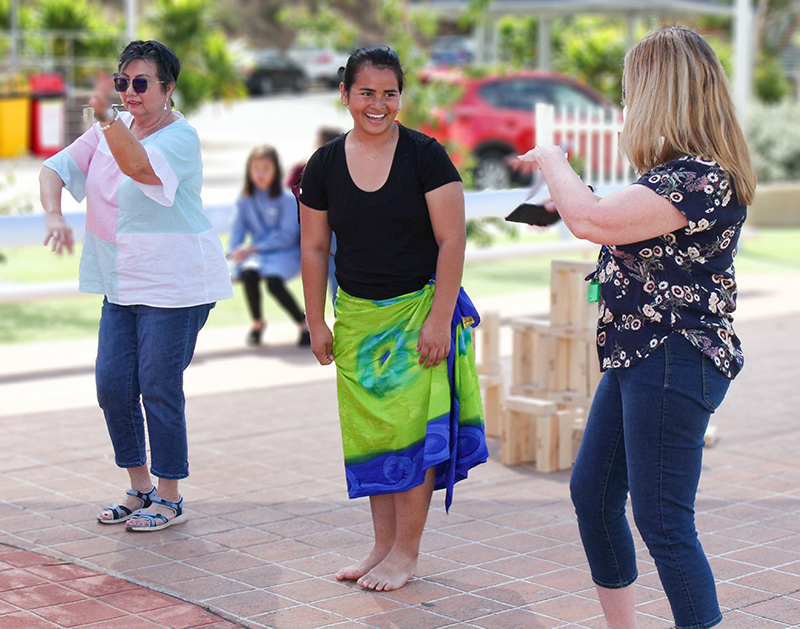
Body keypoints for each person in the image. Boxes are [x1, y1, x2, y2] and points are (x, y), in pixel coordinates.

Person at [518, 28, 756, 629]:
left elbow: (594, 221)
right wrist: (575, 200)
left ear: (660, 93)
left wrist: (552, 160)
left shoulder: (702, 177)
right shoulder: (677, 178)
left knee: (664, 522)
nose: (625, 106)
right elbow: (613, 220)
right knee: (594, 497)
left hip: (673, 357)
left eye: (631, 91)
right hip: (639, 357)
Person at [299, 45, 488, 592]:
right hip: (356, 321)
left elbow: (453, 239)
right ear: (345, 94)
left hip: (419, 316)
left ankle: (407, 551)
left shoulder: (427, 156)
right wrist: (317, 321)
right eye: (367, 93)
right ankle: (382, 547)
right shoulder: (324, 165)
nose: (378, 104)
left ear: (400, 97)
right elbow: (314, 248)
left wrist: (439, 318)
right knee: (373, 438)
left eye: (389, 94)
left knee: (414, 438)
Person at [40, 40, 233, 531]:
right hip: (120, 283)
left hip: (177, 286)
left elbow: (138, 168)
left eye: (141, 82)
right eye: (122, 82)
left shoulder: (179, 137)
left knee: (157, 386)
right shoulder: (114, 127)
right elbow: (55, 169)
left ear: (168, 88)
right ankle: (140, 487)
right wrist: (54, 214)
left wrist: (105, 120)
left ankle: (169, 495)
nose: (129, 92)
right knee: (112, 386)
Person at [228, 145, 309, 347]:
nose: (260, 174)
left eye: (266, 168)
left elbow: (287, 235)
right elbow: (237, 230)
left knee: (273, 282)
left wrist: (253, 248)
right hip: (257, 255)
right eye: (256, 168)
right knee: (249, 273)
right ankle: (258, 323)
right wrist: (235, 251)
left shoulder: (286, 198)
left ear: (276, 170)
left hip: (286, 253)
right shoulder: (244, 199)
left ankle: (303, 324)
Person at [287, 127, 342, 302]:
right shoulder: (308, 169)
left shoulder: (315, 169)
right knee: (336, 290)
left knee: (337, 290)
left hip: (327, 240)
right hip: (319, 238)